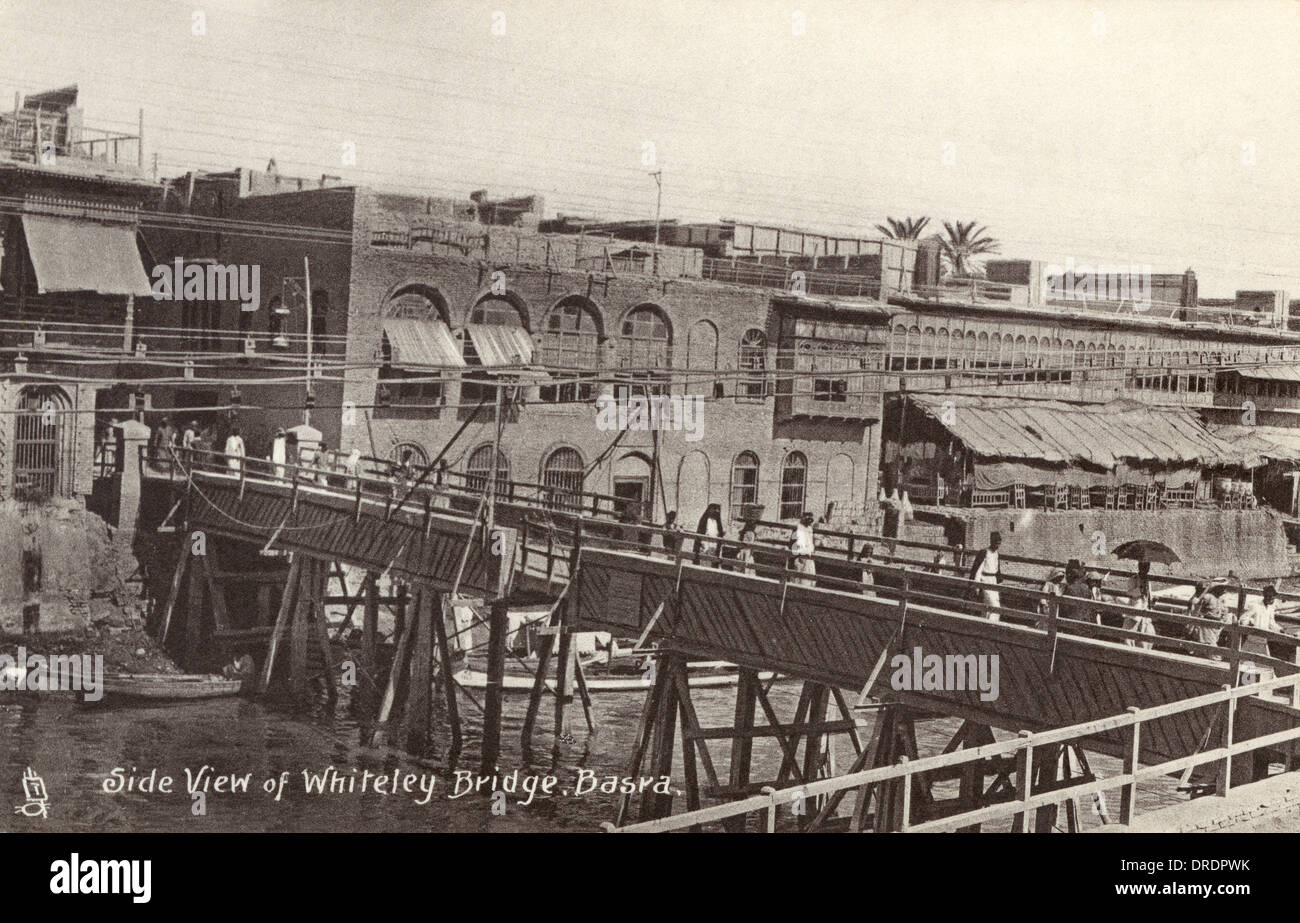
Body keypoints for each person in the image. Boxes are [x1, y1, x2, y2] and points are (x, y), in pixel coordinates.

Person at [967, 531, 1003, 621]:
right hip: (985, 580)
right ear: (991, 542)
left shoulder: (996, 554)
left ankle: (986, 621)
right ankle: (990, 623)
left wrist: (999, 582)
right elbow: (977, 569)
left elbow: (997, 569)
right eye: (996, 543)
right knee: (993, 605)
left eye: (999, 544)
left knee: (992, 603)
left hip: (993, 581)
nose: (997, 546)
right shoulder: (984, 552)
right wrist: (976, 585)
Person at [1189, 580, 1231, 657]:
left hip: (1216, 627)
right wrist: (1193, 625)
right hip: (1207, 626)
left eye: (1224, 588)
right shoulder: (1207, 597)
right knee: (1211, 650)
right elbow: (1196, 611)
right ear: (1216, 588)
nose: (1224, 590)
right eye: (1221, 588)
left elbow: (1224, 612)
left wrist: (1224, 619)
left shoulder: (1221, 599)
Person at [1122, 560, 1156, 649]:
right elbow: (1129, 593)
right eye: (1143, 566)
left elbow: (1149, 596)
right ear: (1139, 567)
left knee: (1148, 634)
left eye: (1147, 567)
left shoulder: (1148, 582)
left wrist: (1152, 601)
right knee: (1128, 635)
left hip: (1145, 613)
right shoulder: (1133, 579)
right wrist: (1140, 590)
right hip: (1135, 611)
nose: (1145, 569)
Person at [790, 512, 817, 586]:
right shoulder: (797, 529)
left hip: (808, 559)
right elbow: (792, 545)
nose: (809, 522)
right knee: (798, 580)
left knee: (808, 580)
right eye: (807, 519)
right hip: (799, 558)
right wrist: (796, 557)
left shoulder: (810, 529)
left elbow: (812, 544)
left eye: (810, 520)